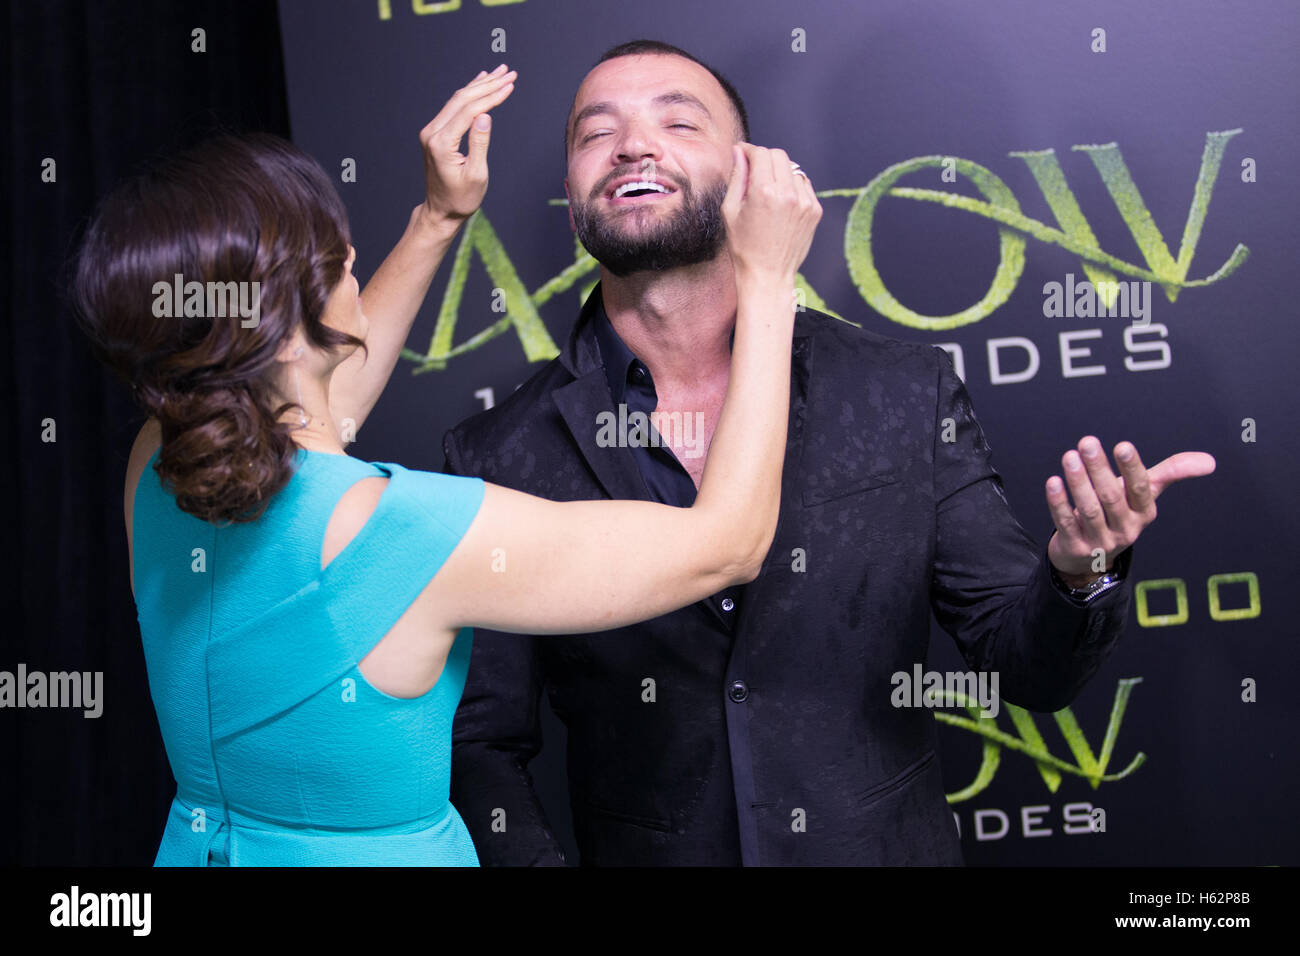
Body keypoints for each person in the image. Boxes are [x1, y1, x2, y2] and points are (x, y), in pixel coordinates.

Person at [443, 40, 1217, 865]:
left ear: (752, 178)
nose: (634, 145)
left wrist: (1079, 574)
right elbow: (479, 745)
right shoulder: (498, 454)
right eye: (597, 133)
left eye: (678, 122)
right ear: (572, 203)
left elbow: (1026, 670)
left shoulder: (903, 394)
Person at [72, 64, 822, 865]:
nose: (349, 251)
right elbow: (729, 543)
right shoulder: (411, 533)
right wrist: (768, 278)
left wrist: (438, 218)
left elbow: (318, 406)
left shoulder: (162, 461)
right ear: (283, 335)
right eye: (326, 254)